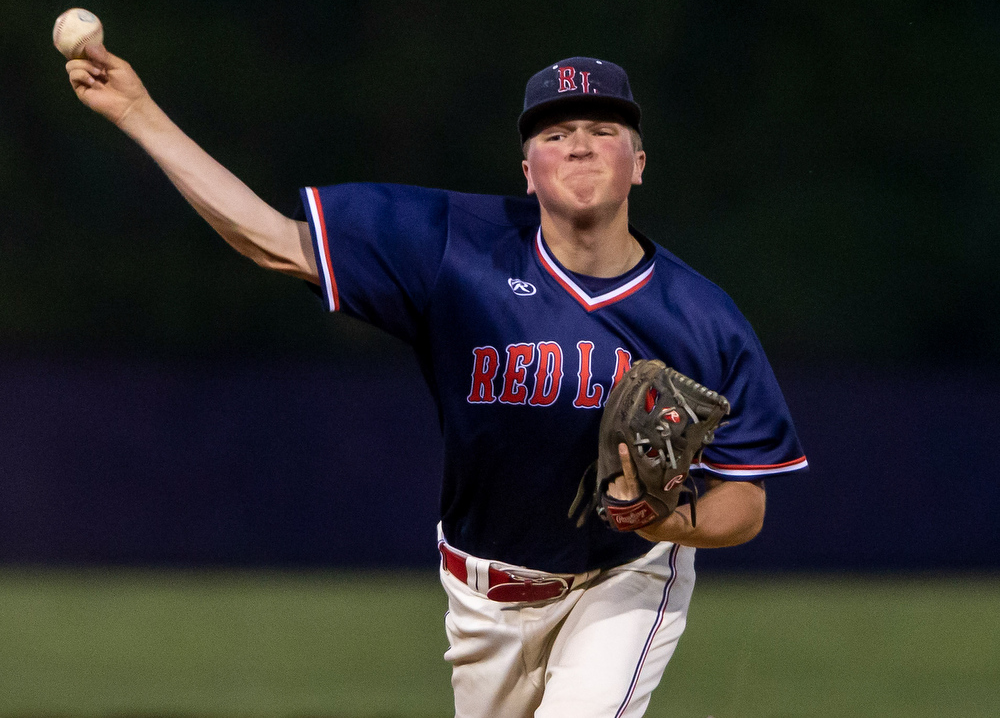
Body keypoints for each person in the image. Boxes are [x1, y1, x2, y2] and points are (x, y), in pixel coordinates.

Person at [66, 46, 807, 717]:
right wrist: (138, 113)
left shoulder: (702, 317)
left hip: (624, 583)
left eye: (603, 128)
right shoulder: (457, 248)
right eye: (554, 134)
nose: (578, 143)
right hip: (480, 595)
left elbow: (745, 498)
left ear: (639, 163)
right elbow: (272, 241)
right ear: (527, 171)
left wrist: (664, 522)